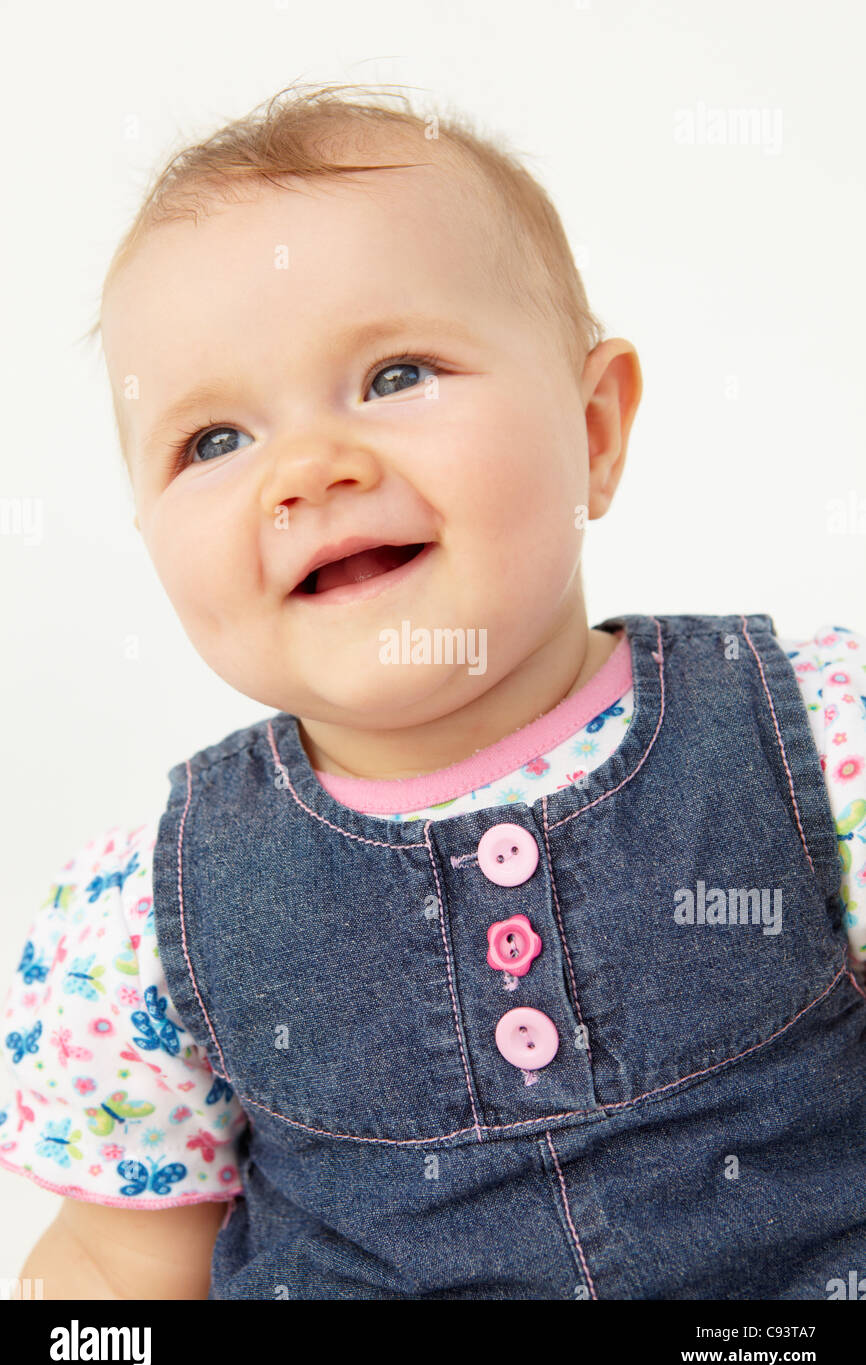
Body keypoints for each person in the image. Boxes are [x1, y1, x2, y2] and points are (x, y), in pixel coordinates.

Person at [2, 82, 864, 1300]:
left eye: (395, 373)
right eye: (213, 441)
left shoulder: (814, 742)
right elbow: (115, 1262)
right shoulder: (146, 914)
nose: (306, 469)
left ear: (594, 427)